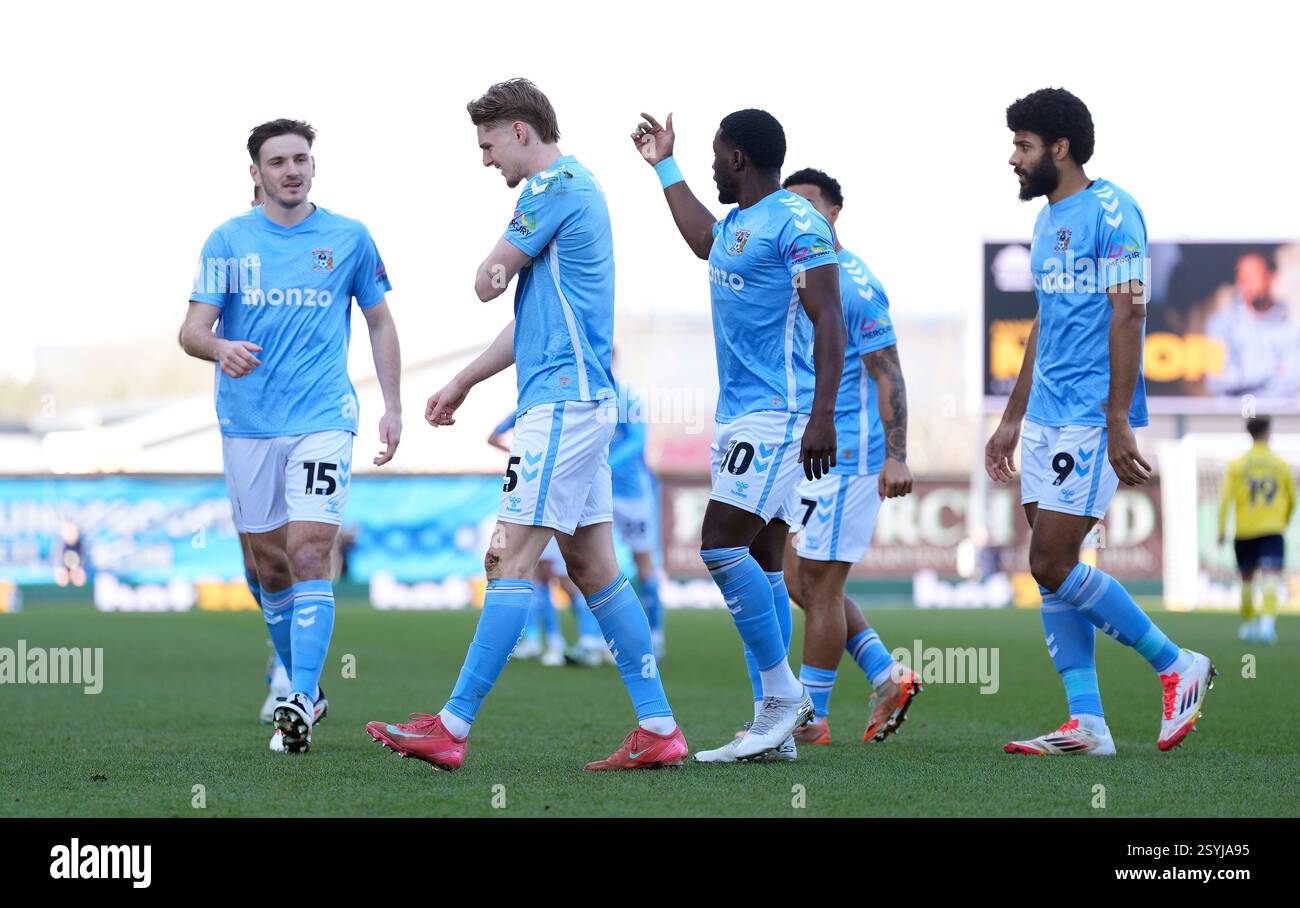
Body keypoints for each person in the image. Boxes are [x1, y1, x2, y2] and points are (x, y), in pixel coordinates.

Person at [366, 80, 685, 772]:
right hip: (579, 401)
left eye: (488, 145)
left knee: (506, 558)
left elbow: (490, 281)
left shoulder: (552, 188)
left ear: (519, 131)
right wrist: (463, 380)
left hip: (563, 406)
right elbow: (527, 321)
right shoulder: (577, 190)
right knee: (592, 566)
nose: (486, 160)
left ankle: (452, 726)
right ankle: (659, 727)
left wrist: (489, 271)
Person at [986, 88, 1214, 756]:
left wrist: (1118, 418)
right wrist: (1011, 417)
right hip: (1045, 416)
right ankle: (1086, 721)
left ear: (1059, 148)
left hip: (1088, 415)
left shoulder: (1115, 212)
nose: (1013, 158)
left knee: (1051, 559)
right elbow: (1045, 321)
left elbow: (1130, 311)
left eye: (1023, 146)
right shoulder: (1045, 221)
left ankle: (1177, 664)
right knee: (1050, 567)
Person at [182, 119, 403, 753]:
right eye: (277, 162)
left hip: (324, 419)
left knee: (308, 552)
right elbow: (192, 331)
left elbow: (380, 322)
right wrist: (220, 347)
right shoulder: (228, 240)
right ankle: (302, 681)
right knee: (267, 564)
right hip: (248, 423)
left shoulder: (349, 237)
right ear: (256, 173)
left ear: (313, 165)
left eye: (301, 159)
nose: (291, 170)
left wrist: (392, 407)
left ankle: (300, 696)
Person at [633, 108, 846, 762]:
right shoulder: (735, 226)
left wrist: (822, 416)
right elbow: (703, 237)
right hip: (742, 416)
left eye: (714, 158)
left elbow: (830, 318)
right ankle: (773, 729)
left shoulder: (798, 223)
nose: (712, 169)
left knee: (719, 543)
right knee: (765, 561)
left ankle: (784, 697)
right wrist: (664, 165)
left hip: (781, 413)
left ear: (737, 159)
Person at [774, 167, 921, 746]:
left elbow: (889, 373)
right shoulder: (801, 276)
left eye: (809, 205)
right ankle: (887, 674)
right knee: (800, 580)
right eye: (790, 206)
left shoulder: (854, 284)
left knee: (819, 584)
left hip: (851, 458)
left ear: (834, 213)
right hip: (812, 455)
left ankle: (810, 717)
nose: (799, 216)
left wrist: (897, 456)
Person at [1218, 416, 1295, 643]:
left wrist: (1221, 529)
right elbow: (1292, 498)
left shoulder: (1237, 464)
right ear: (1268, 432)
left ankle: (1250, 624)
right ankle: (1267, 626)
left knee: (1247, 579)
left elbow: (1225, 499)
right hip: (1272, 529)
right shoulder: (1280, 464)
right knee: (1271, 577)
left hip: (1245, 530)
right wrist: (1283, 520)